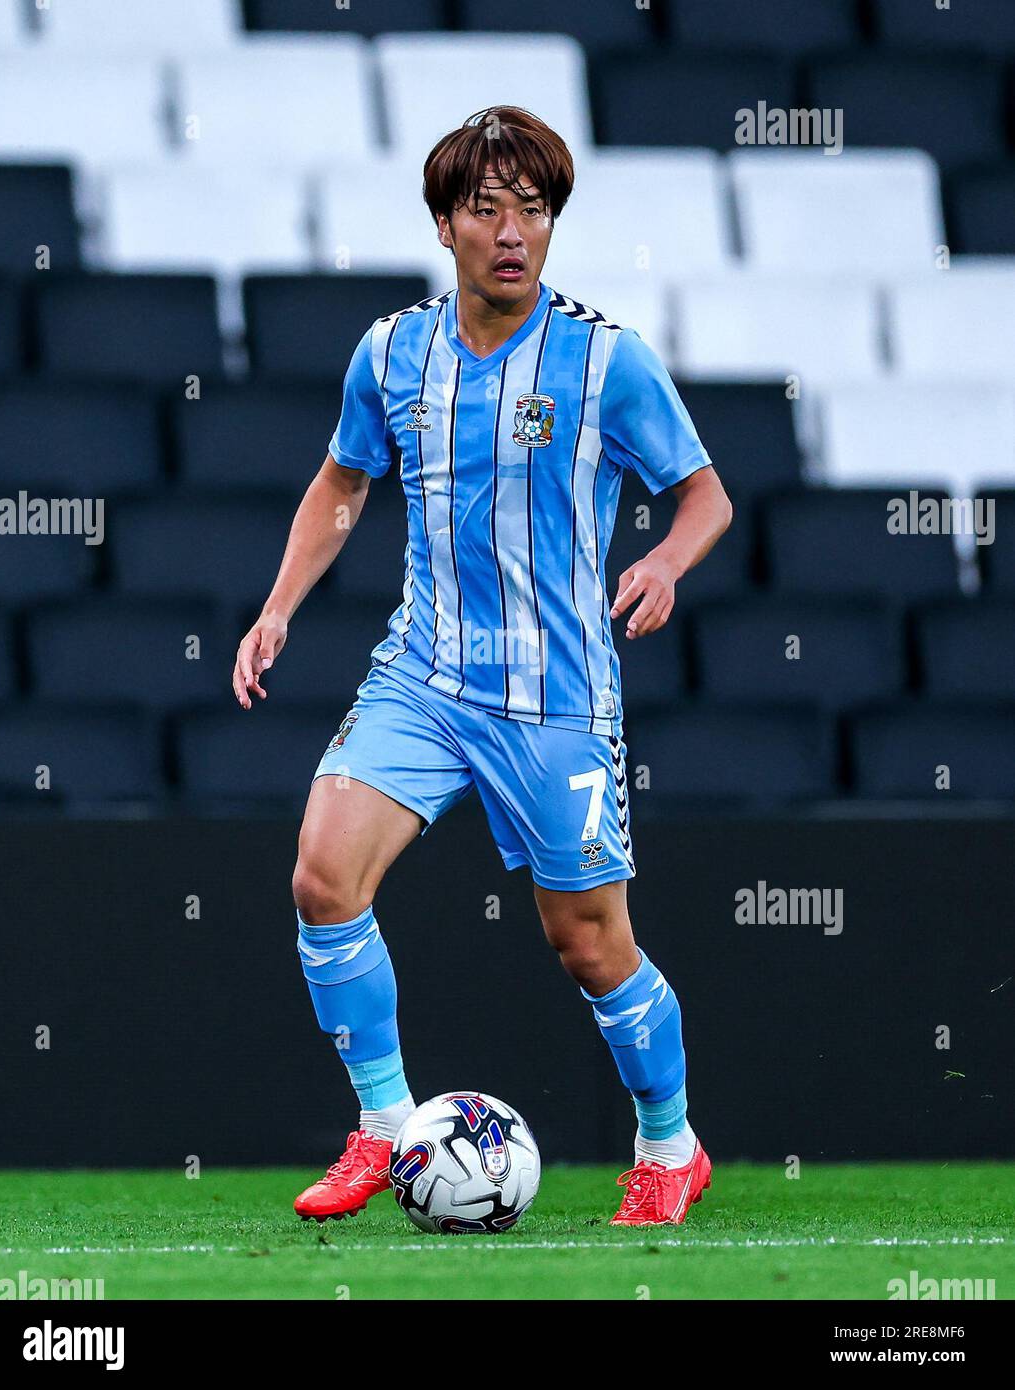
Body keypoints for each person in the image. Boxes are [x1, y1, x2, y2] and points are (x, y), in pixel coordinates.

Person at [231, 106, 732, 1227]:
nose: (512, 230)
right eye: (487, 207)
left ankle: (669, 1143)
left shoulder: (607, 361)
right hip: (425, 674)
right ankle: (376, 1124)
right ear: (446, 223)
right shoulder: (393, 351)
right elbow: (343, 485)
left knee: (587, 942)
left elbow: (706, 494)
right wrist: (276, 610)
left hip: (555, 695)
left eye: (534, 209)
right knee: (322, 874)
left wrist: (663, 561)